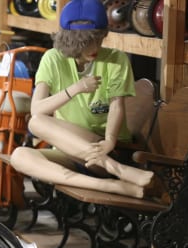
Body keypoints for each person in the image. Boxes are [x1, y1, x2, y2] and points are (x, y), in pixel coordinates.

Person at [9, 0, 159, 199]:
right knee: (19, 155)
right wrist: (76, 89)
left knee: (36, 123)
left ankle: (118, 171)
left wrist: (109, 141)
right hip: (69, 151)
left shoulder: (116, 59)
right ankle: (111, 185)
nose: (95, 46)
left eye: (98, 38)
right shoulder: (53, 59)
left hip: (104, 148)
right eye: (87, 41)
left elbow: (117, 106)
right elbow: (37, 109)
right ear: (71, 39)